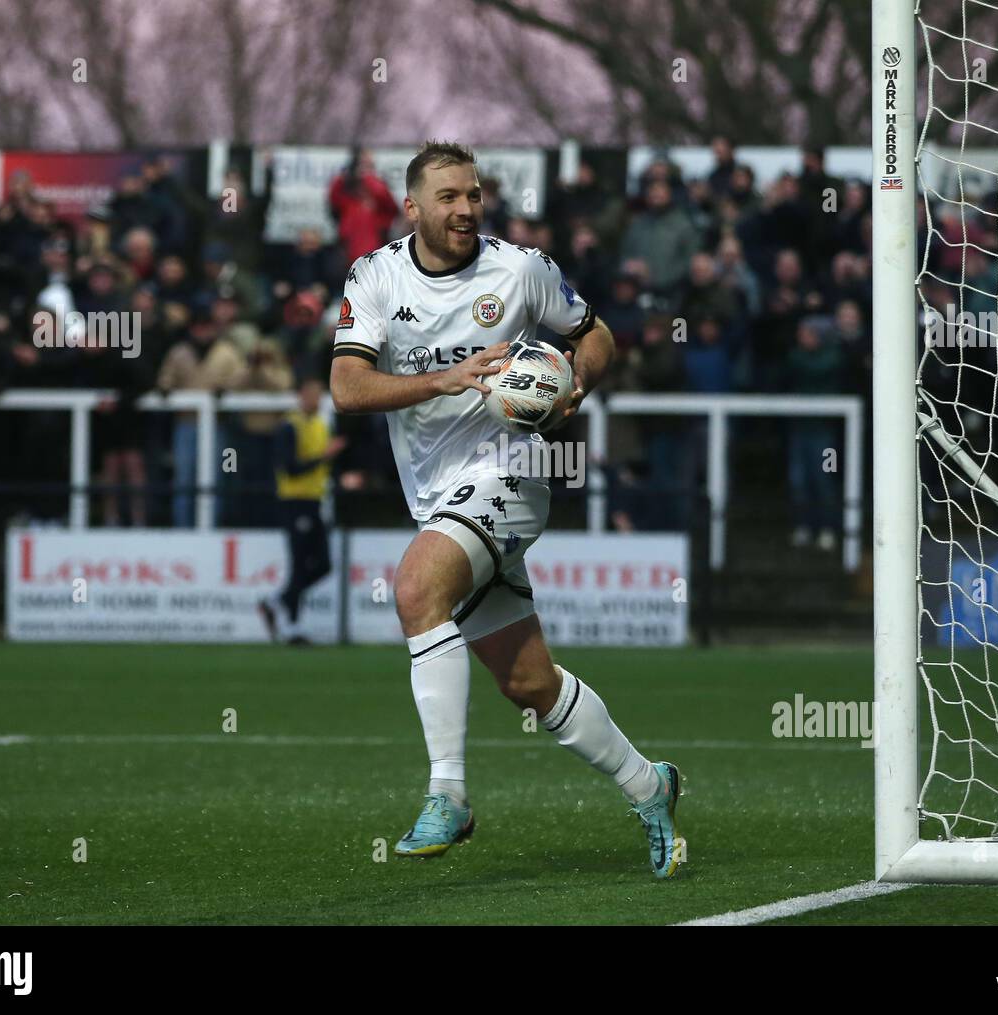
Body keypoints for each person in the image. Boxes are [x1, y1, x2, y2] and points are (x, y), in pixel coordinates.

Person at [329, 141, 684, 878]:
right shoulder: (375, 276)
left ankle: (448, 793)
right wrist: (446, 380)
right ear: (414, 208)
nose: (465, 209)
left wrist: (576, 382)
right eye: (450, 197)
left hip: (516, 473)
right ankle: (652, 787)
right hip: (437, 495)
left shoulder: (519, 269)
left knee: (415, 588)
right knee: (529, 683)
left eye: (474, 194)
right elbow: (348, 388)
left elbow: (596, 334)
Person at [259, 374, 345, 643]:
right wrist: (324, 457)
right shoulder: (289, 427)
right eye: (311, 395)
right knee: (300, 564)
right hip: (294, 502)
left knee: (322, 565)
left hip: (315, 501)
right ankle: (292, 626)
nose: (316, 400)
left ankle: (277, 602)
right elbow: (290, 468)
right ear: (301, 397)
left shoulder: (319, 425)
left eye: (319, 395)